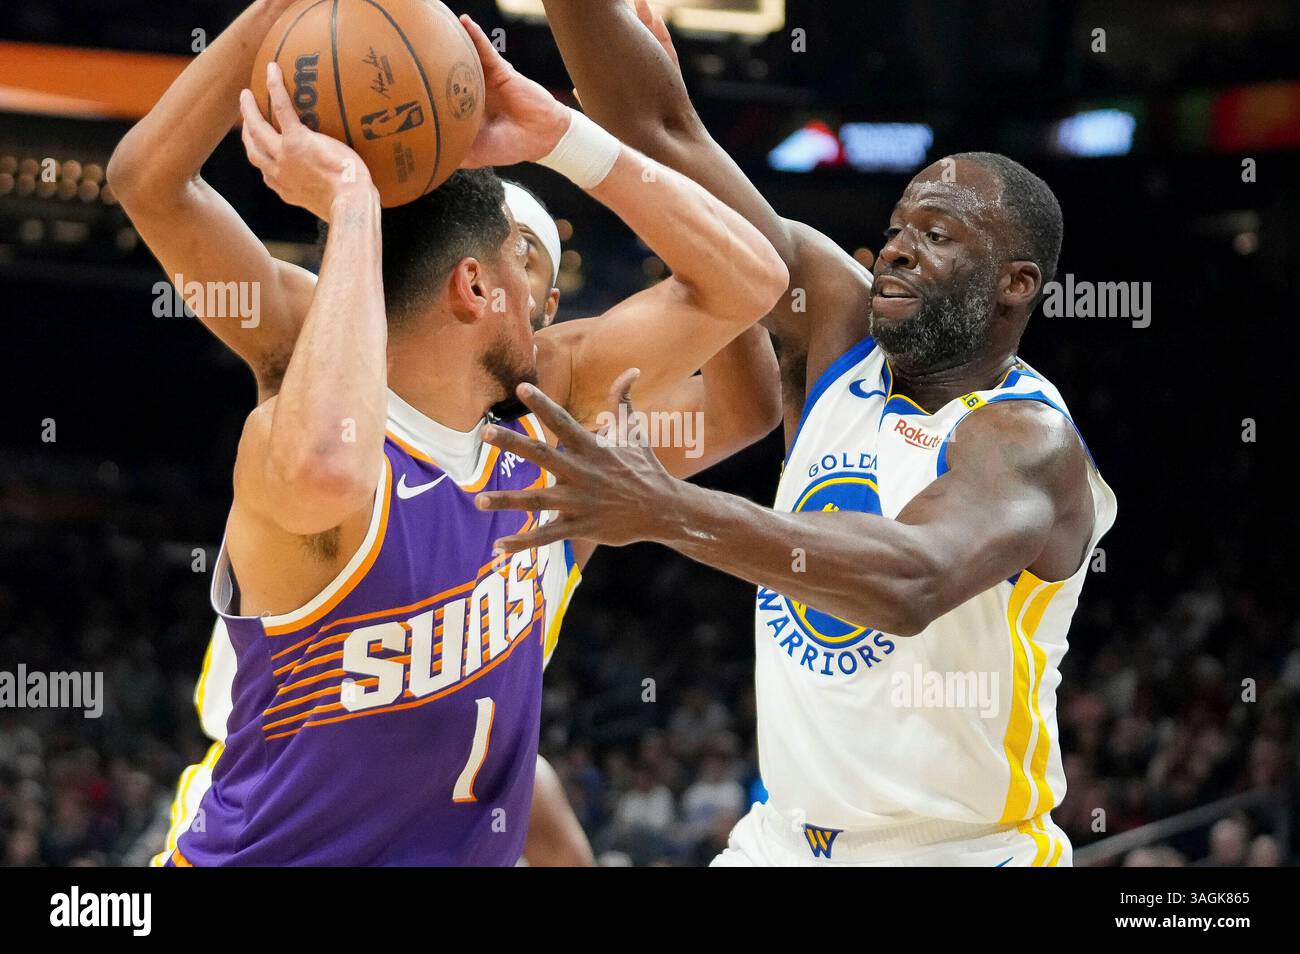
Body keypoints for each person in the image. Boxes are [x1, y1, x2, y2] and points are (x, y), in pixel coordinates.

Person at [108, 4, 788, 865]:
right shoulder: (300, 353)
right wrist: (278, 33)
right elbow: (149, 182)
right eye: (530, 267)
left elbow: (749, 295)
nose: (551, 304)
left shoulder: (553, 429)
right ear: (476, 284)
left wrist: (583, 134)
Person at [475, 0, 1117, 867]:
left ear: (1014, 284)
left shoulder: (1026, 442)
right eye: (895, 229)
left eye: (937, 236)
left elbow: (910, 580)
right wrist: (561, 133)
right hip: (780, 840)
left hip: (961, 854)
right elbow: (661, 129)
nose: (895, 249)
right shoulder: (837, 330)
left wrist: (665, 509)